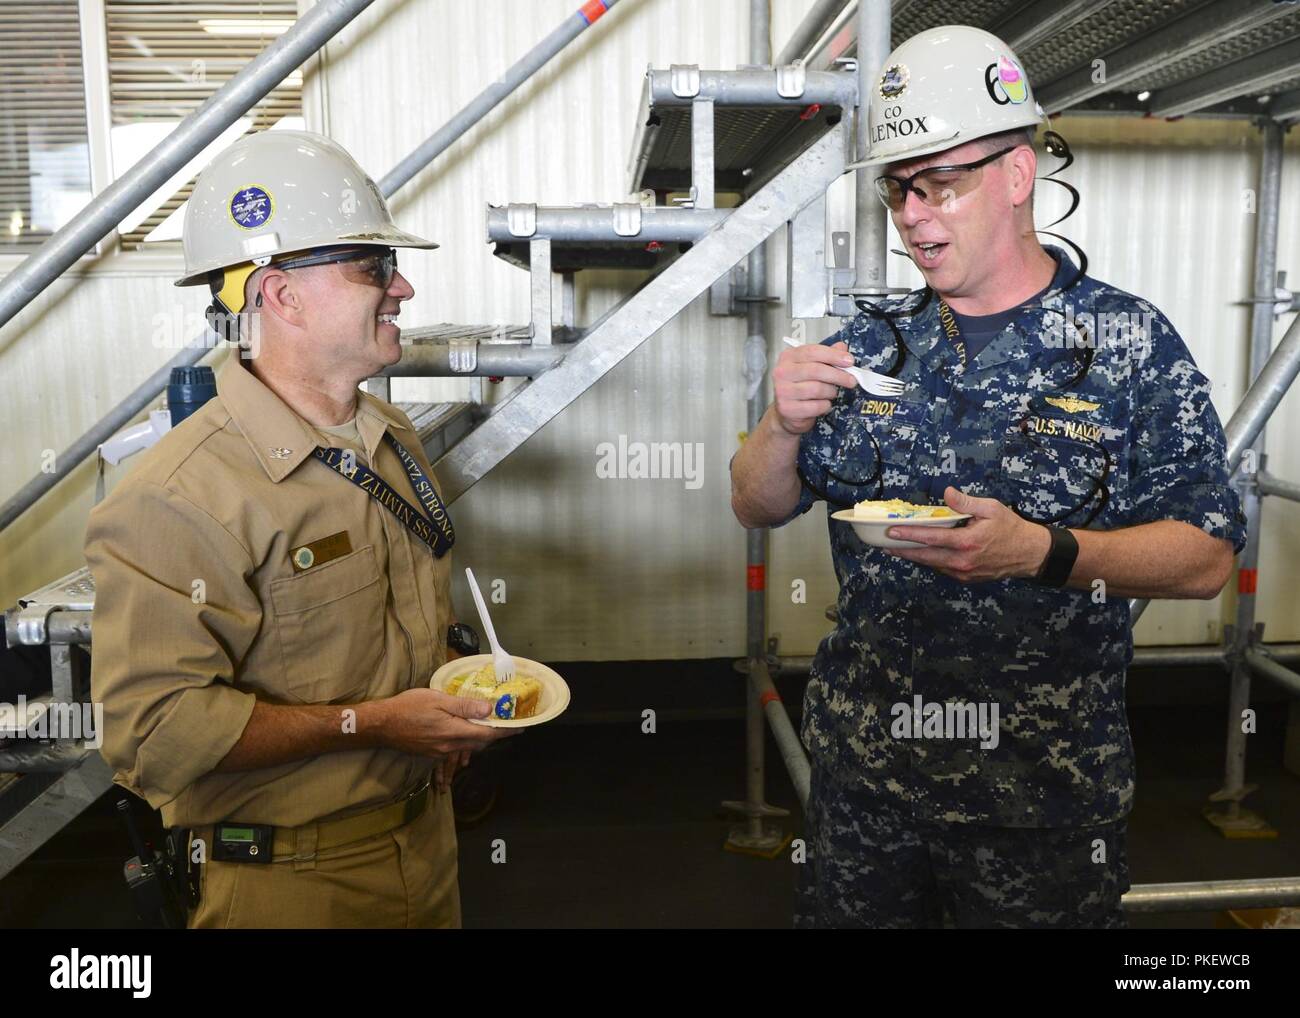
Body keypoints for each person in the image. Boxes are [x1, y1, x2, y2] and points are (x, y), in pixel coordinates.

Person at [730, 26, 1247, 929]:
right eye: (898, 190)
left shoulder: (1125, 345)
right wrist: (780, 424)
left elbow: (1205, 557)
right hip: (866, 788)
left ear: (1017, 175)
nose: (913, 217)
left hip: (1042, 801)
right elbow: (755, 501)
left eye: (940, 184)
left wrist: (1043, 553)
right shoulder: (866, 347)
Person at [84, 130, 510, 929]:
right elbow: (154, 737)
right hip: (289, 884)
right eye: (375, 268)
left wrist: (449, 684)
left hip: (427, 845)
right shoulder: (179, 496)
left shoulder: (388, 435)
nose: (404, 287)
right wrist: (380, 725)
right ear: (281, 297)